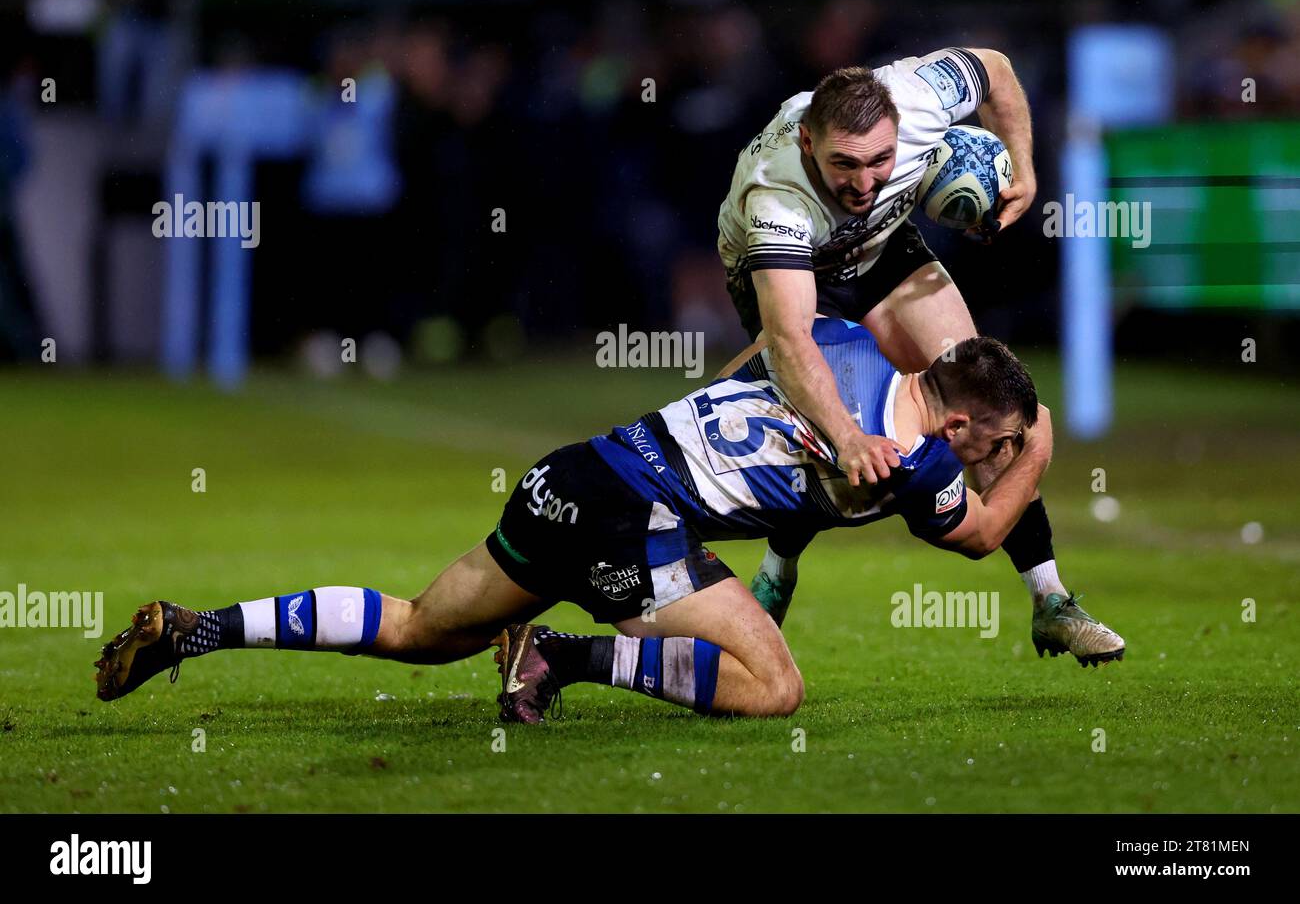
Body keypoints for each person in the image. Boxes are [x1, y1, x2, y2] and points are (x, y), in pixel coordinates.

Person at [95, 324, 1090, 726]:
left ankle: (197, 630)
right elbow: (978, 532)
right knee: (773, 686)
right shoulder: (915, 461)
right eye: (991, 444)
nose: (992, 461)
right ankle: (562, 657)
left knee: (418, 631)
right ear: (961, 424)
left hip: (572, 470)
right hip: (634, 523)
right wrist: (1040, 446)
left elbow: (754, 355)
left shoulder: (831, 337)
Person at [717, 47, 1123, 663]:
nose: (863, 182)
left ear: (899, 130)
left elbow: (998, 69)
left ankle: (1052, 602)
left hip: (884, 255)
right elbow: (794, 337)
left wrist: (1026, 169)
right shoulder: (777, 194)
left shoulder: (918, 95)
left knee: (987, 404)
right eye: (844, 165)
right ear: (806, 143)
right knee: (824, 434)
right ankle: (779, 568)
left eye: (881, 160)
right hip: (791, 279)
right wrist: (849, 435)